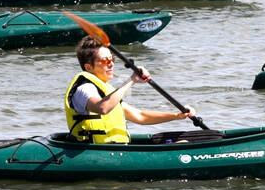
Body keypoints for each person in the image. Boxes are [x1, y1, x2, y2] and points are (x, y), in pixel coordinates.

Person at [63, 36, 197, 144]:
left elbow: (140, 116)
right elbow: (102, 108)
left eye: (112, 59)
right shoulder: (84, 88)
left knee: (185, 141)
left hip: (116, 149)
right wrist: (132, 80)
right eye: (104, 61)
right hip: (97, 152)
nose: (111, 64)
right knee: (183, 143)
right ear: (88, 67)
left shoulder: (106, 91)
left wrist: (176, 116)